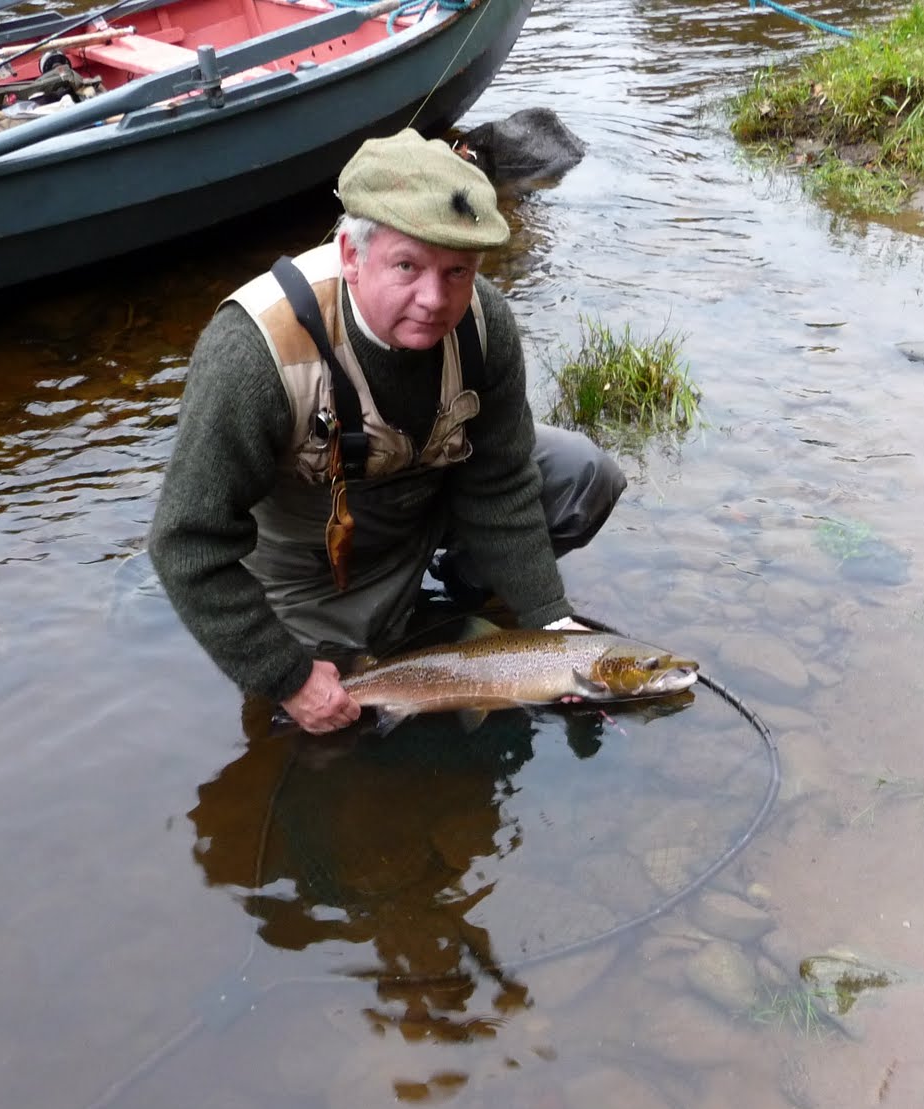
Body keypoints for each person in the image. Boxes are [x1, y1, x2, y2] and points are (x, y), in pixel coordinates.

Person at [149, 127, 625, 734]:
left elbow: (501, 484)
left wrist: (552, 626)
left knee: (580, 473)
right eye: (408, 266)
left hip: (430, 497)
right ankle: (374, 623)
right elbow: (189, 544)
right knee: (332, 721)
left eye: (458, 272)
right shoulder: (253, 354)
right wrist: (285, 676)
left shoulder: (487, 325)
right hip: (315, 557)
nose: (434, 298)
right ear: (352, 255)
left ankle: (464, 592)